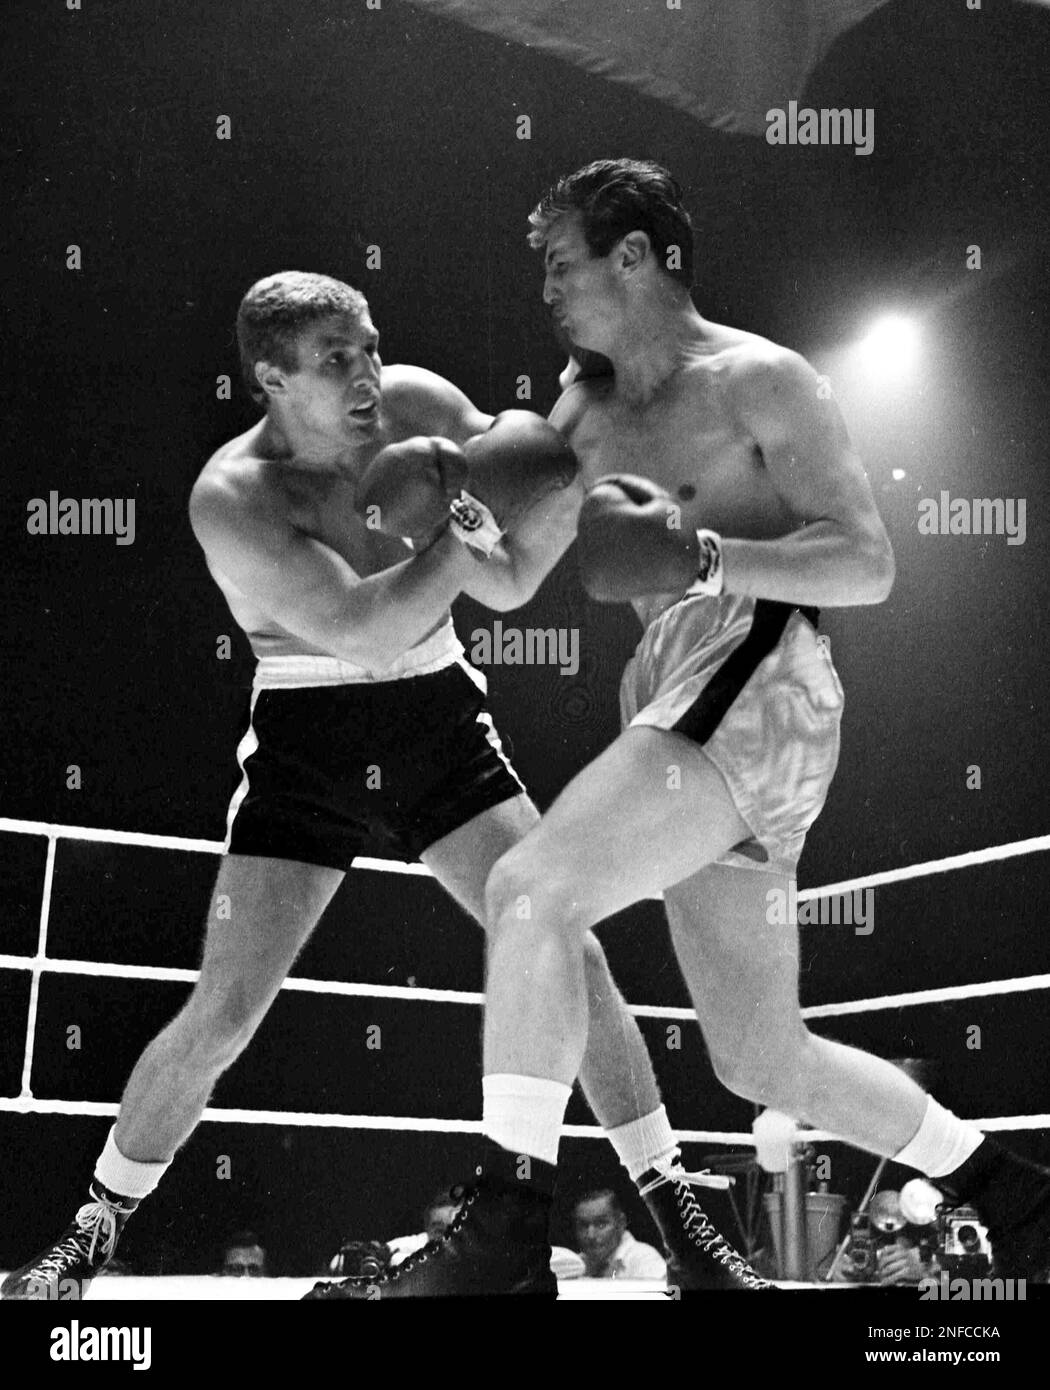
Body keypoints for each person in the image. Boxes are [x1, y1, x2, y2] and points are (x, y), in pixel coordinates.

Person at [347, 159, 1050, 1297]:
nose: (548, 290)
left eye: (562, 263)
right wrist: (462, 514)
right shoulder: (578, 410)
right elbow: (520, 580)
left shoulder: (761, 380)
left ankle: (505, 1226)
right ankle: (1012, 1191)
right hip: (673, 683)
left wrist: (707, 554)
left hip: (760, 668)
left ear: (635, 257)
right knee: (759, 1054)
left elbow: (867, 559)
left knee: (532, 888)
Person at [2, 270, 753, 1302]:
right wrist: (459, 512)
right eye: (336, 360)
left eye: (369, 347)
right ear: (270, 377)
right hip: (309, 726)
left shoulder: (416, 404)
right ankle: (92, 1230)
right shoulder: (234, 498)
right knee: (224, 1010)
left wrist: (574, 460)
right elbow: (361, 623)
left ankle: (682, 1218)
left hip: (433, 710)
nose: (367, 375)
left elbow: (516, 545)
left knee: (564, 944)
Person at [573, 1189, 665, 1280]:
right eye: (583, 1225)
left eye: (601, 1224)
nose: (591, 1235)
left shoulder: (643, 1259)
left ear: (621, 1223)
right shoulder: (572, 1265)